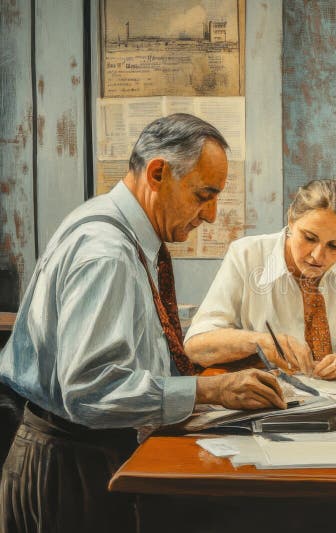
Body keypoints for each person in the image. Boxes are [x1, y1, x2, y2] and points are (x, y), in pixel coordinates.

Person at [0, 114, 286, 533]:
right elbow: (90, 390)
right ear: (157, 172)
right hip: (69, 467)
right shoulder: (107, 254)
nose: (210, 215)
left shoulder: (119, 231)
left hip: (76, 457)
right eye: (204, 195)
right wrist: (211, 389)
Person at [184, 179, 336, 381]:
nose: (317, 256)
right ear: (291, 220)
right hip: (271, 402)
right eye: (309, 238)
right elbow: (196, 346)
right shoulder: (246, 255)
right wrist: (260, 342)